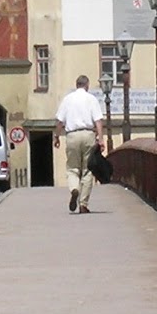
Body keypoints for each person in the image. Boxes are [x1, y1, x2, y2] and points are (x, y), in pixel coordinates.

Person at [53, 74, 106, 214]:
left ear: (76, 85)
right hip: (88, 134)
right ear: (87, 85)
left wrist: (56, 137)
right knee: (88, 170)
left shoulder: (67, 99)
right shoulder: (91, 99)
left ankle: (74, 189)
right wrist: (100, 139)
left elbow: (59, 121)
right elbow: (98, 121)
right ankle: (83, 204)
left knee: (72, 168)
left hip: (72, 135)